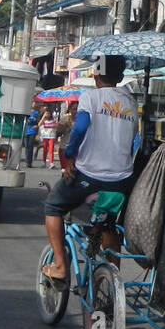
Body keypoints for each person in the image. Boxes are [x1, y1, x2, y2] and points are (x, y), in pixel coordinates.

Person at [41, 56, 138, 283]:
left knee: (52, 206)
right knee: (109, 224)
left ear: (95, 76)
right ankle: (112, 280)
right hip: (122, 179)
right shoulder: (131, 102)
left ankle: (59, 266)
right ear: (121, 77)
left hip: (90, 176)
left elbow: (81, 127)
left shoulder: (90, 98)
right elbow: (134, 139)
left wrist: (69, 154)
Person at [23, 102, 40, 168]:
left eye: (35, 103)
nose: (34, 104)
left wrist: (37, 125)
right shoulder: (27, 112)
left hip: (32, 131)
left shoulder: (37, 113)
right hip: (26, 130)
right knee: (26, 146)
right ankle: (27, 160)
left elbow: (39, 121)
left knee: (30, 146)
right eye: (33, 103)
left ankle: (29, 162)